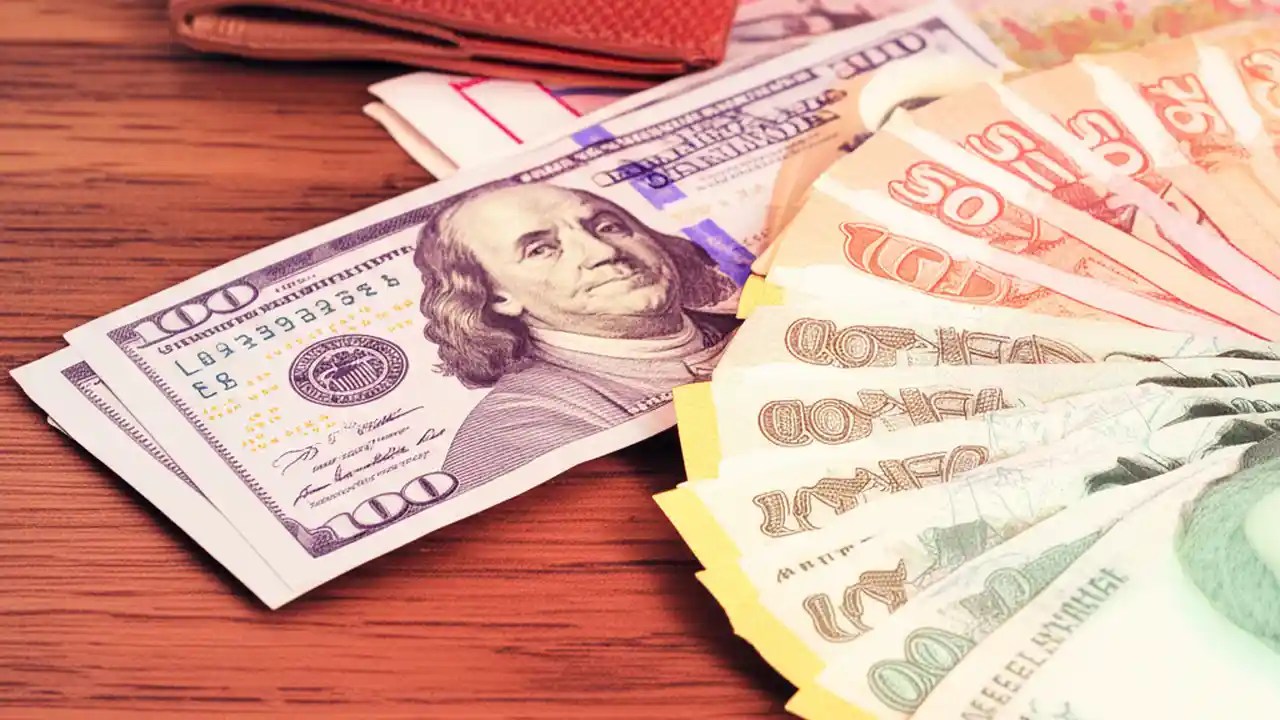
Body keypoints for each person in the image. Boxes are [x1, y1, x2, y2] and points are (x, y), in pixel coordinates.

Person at [413, 180, 739, 488]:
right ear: (497, 296)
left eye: (608, 227)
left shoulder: (752, 319)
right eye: (540, 249)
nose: (602, 252)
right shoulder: (517, 426)